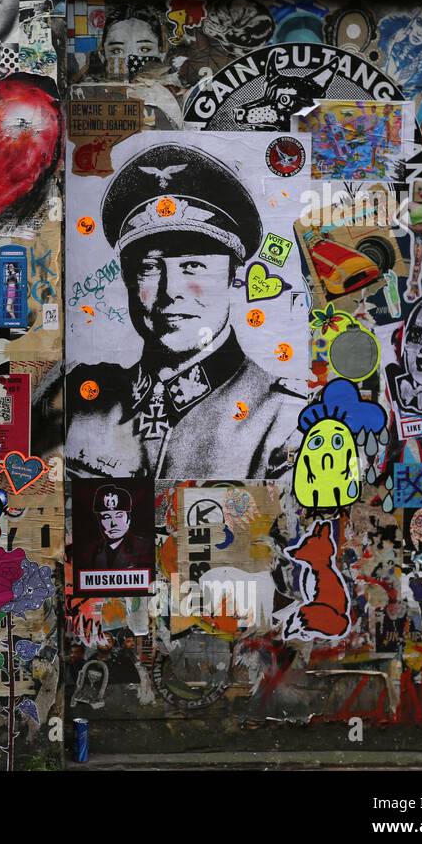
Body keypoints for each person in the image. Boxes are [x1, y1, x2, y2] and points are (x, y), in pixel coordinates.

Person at [67, 143, 304, 480]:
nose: (170, 292)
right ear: (126, 278)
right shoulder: (79, 400)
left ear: (234, 278)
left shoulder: (283, 422)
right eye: (149, 267)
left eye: (193, 266)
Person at [82, 484, 150, 571]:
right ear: (99, 521)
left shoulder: (145, 547)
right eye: (107, 517)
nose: (113, 524)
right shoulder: (92, 551)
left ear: (129, 519)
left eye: (119, 516)